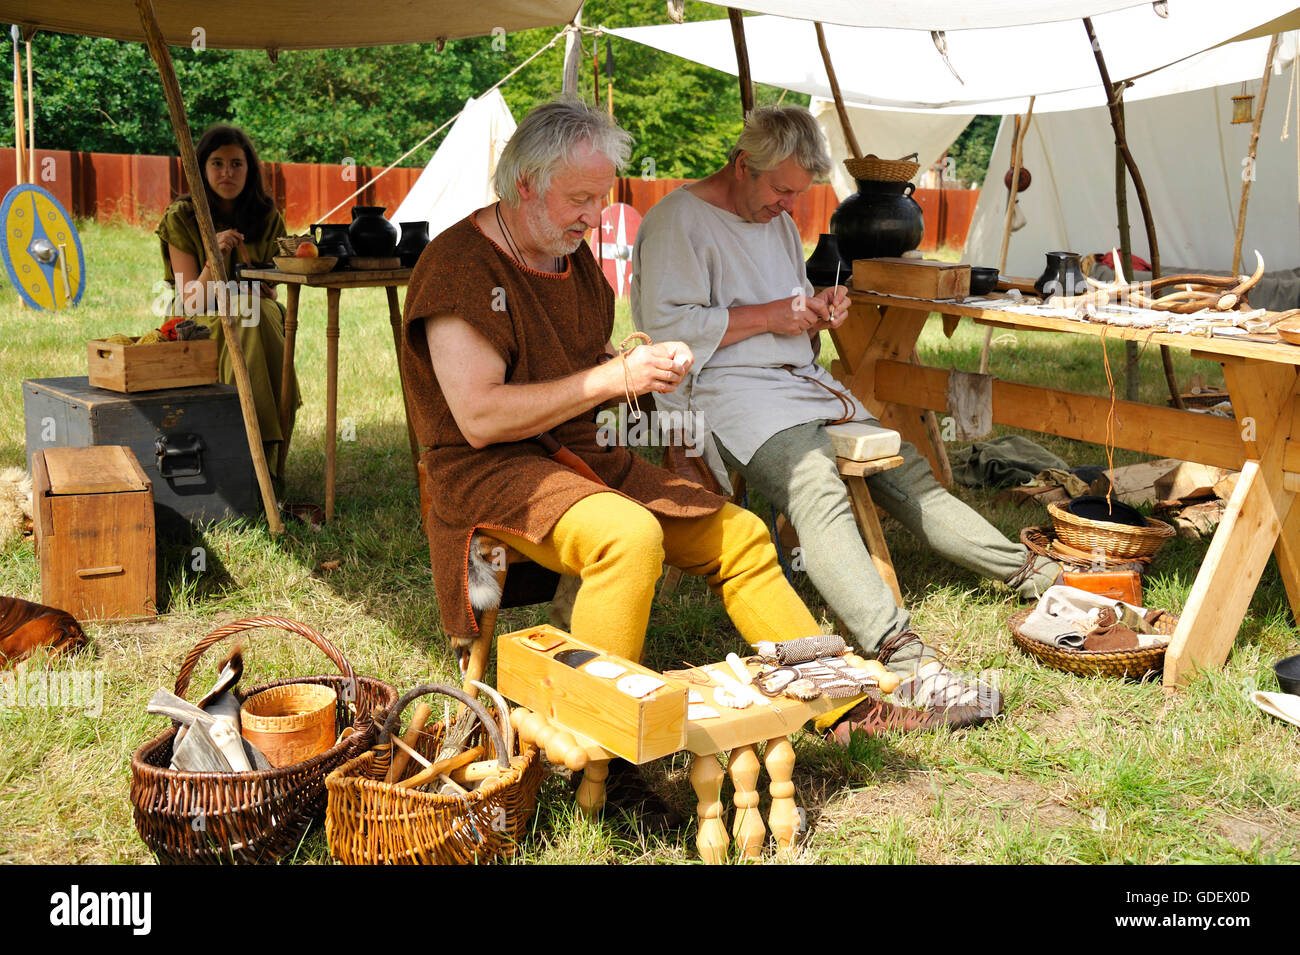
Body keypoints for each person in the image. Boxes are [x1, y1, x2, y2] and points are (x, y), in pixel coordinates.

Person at [403, 98, 871, 818]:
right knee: (628, 537)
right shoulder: (460, 268)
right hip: (487, 470)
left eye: (602, 198)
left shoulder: (570, 257)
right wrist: (609, 378)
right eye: (580, 198)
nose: (595, 217)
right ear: (524, 183)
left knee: (741, 534)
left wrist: (637, 363)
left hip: (577, 450)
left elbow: (584, 361)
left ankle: (832, 707)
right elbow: (479, 415)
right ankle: (603, 754)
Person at [630, 105, 1062, 733]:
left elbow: (783, 313)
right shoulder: (678, 221)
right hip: (722, 393)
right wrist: (773, 315)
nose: (787, 206)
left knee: (906, 470)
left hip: (797, 384)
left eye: (797, 195)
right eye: (780, 190)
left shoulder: (774, 219)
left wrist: (814, 312)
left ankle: (1036, 577)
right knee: (815, 486)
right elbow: (664, 335)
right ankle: (904, 657)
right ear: (741, 163)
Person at [156, 124, 299, 481]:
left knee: (257, 312)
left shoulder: (267, 217)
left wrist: (268, 287)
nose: (227, 173)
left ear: (249, 169)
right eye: (217, 163)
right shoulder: (183, 217)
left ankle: (259, 454)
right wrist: (213, 260)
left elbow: (272, 289)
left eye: (236, 164)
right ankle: (253, 453)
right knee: (245, 315)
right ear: (201, 169)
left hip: (255, 315)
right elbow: (190, 303)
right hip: (199, 323)